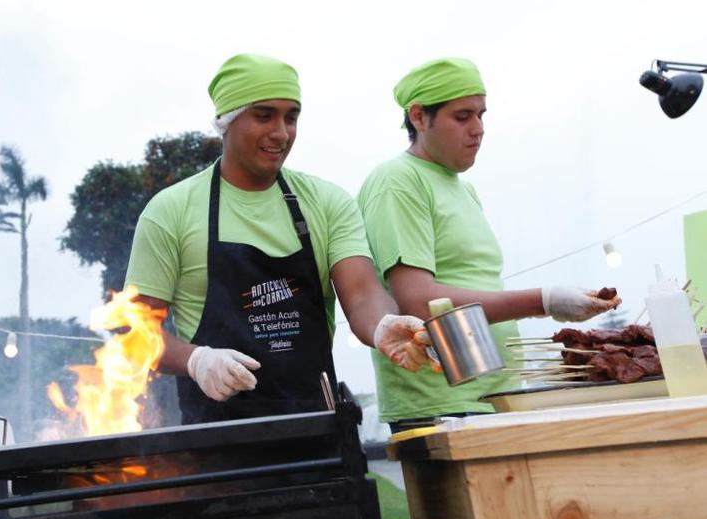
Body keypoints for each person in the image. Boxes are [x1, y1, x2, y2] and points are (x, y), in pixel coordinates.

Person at [125, 53, 429, 425]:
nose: (281, 133)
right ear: (227, 120)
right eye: (264, 115)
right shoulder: (171, 211)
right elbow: (136, 331)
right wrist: (196, 359)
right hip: (215, 448)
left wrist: (383, 324)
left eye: (291, 117)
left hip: (319, 433)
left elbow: (363, 293)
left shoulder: (327, 201)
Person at [357, 58, 621, 433]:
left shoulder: (464, 190)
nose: (478, 129)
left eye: (481, 115)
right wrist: (544, 301)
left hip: (495, 395)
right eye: (462, 117)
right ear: (418, 116)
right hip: (443, 403)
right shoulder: (397, 181)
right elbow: (416, 300)